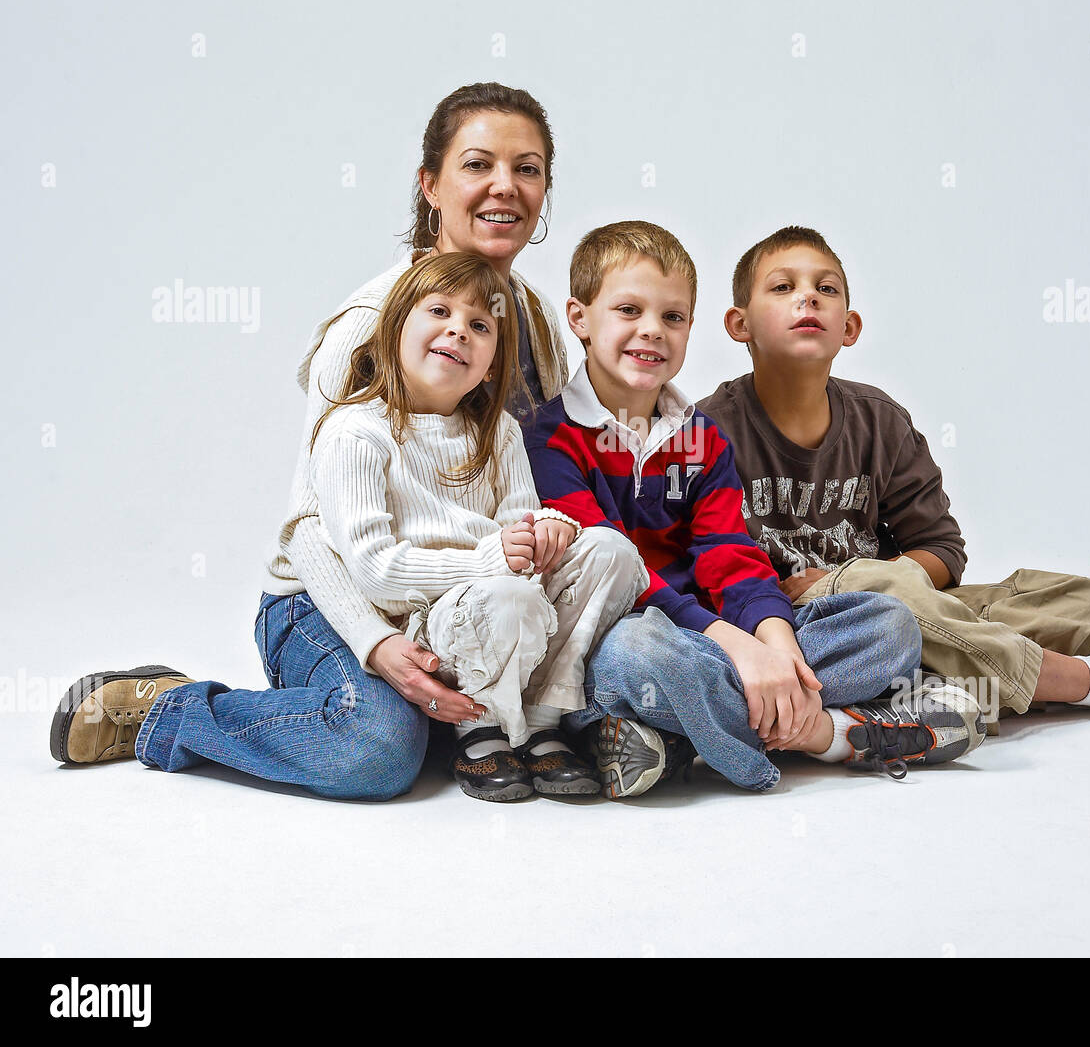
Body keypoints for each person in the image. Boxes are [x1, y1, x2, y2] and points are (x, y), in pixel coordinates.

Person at [49, 83, 586, 799]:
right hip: (329, 596)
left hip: (464, 597)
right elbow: (307, 529)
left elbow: (542, 485)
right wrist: (377, 644)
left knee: (591, 681)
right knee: (379, 745)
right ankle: (167, 711)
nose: (504, 187)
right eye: (478, 164)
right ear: (429, 184)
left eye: (527, 168)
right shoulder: (368, 324)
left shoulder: (535, 321)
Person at [696, 226, 1090, 731]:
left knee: (1082, 601)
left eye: (827, 287)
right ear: (738, 324)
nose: (808, 296)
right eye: (782, 287)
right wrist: (871, 587)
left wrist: (883, 577)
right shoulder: (707, 430)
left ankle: (940, 682)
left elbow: (941, 549)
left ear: (850, 327)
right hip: (795, 626)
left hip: (901, 606)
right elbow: (693, 570)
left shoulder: (879, 420)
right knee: (888, 600)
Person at [524, 220, 986, 799]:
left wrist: (776, 644)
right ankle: (832, 734)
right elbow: (619, 578)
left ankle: (674, 739)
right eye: (628, 310)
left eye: (672, 317)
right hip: (627, 635)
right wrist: (738, 648)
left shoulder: (703, 437)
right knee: (633, 656)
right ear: (579, 319)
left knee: (888, 624)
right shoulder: (549, 438)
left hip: (713, 637)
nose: (651, 332)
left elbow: (729, 552)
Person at [308, 252, 645, 799]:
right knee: (508, 599)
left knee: (611, 549)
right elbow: (375, 572)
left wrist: (547, 531)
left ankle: (540, 719)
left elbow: (518, 526)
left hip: (507, 600)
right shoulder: (356, 432)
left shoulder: (500, 434)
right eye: (438, 311)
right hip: (431, 619)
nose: (457, 330)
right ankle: (481, 728)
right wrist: (488, 562)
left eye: (479, 325)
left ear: (491, 364)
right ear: (395, 328)